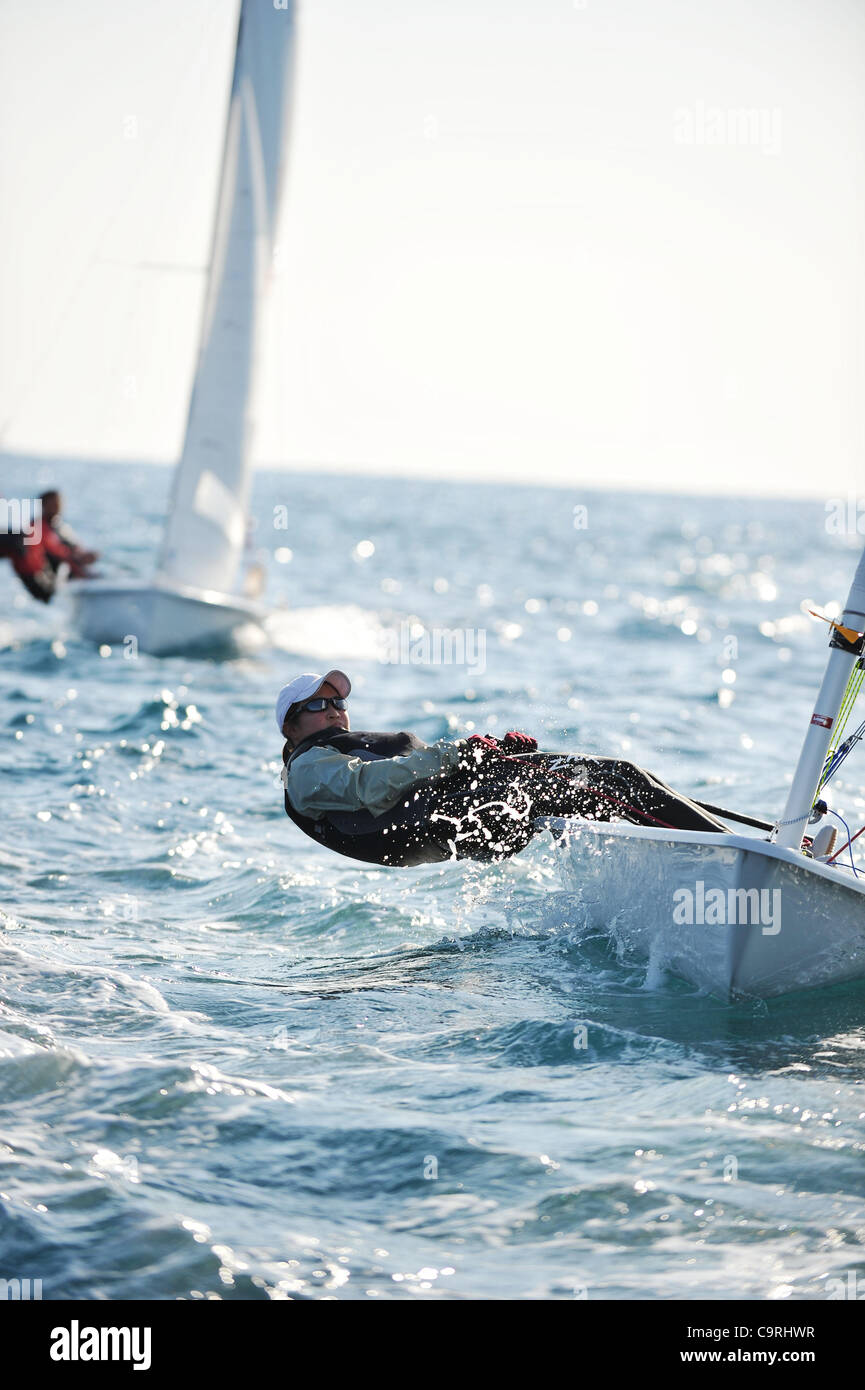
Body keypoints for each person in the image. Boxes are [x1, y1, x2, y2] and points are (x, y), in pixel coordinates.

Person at [277, 669, 729, 867]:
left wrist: (496, 756)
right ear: (292, 728)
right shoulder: (307, 770)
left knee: (619, 779)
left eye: (338, 701)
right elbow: (370, 787)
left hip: (460, 809)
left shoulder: (336, 749)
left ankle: (713, 854)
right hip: (453, 821)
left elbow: (416, 778)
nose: (334, 710)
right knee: (610, 783)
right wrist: (460, 754)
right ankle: (728, 856)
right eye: (318, 704)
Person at [0, 489, 99, 603]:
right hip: (41, 579)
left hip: (58, 579)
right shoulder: (36, 529)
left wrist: (83, 558)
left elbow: (71, 551)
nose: (58, 506)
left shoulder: (61, 529)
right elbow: (62, 554)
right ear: (43, 505)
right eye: (54, 503)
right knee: (18, 540)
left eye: (59, 502)